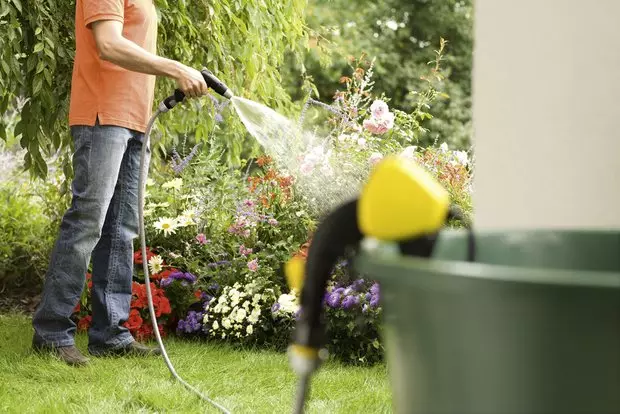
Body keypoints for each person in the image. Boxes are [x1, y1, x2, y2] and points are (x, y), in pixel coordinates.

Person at [32, 0, 209, 366]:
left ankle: (110, 333)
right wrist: (175, 68)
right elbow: (109, 43)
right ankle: (50, 333)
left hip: (135, 118)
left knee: (121, 229)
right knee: (87, 222)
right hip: (102, 114)